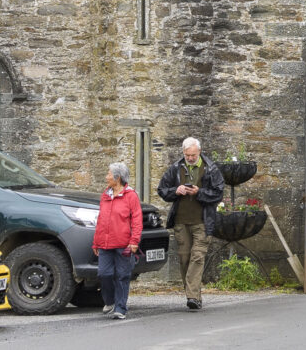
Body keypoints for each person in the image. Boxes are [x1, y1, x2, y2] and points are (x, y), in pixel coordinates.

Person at [157, 136, 225, 309]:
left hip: (202, 221)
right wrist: (176, 190)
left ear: (199, 152)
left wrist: (199, 192)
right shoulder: (175, 168)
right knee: (184, 258)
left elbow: (218, 193)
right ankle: (194, 294)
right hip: (181, 222)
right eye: (187, 155)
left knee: (197, 256)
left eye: (193, 155)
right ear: (183, 153)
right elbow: (162, 190)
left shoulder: (210, 168)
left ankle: (192, 296)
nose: (190, 158)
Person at [94, 162, 142, 320]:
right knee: (103, 274)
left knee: (122, 276)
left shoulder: (131, 196)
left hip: (124, 244)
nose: (106, 177)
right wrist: (96, 242)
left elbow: (136, 219)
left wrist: (134, 241)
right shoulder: (105, 195)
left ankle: (120, 308)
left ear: (118, 178)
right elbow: (101, 219)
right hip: (105, 244)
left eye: (109, 174)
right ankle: (109, 301)